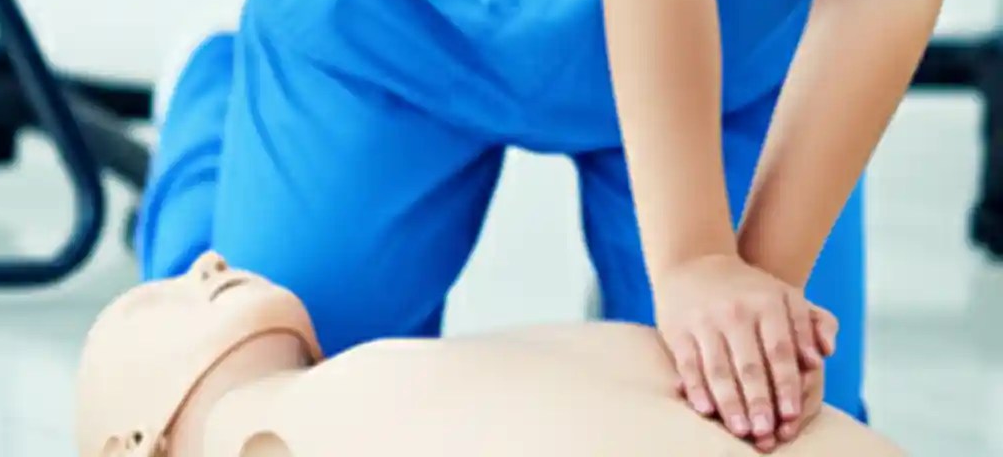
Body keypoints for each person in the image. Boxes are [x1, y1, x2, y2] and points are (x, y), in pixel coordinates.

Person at [137, 0, 1003, 449]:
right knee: (255, 396)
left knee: (778, 427)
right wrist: (694, 260)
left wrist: (745, 310)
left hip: (734, 69)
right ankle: (208, 119)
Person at [75, 252, 905, 457]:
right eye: (165, 297)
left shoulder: (357, 391)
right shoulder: (321, 415)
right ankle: (208, 78)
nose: (209, 266)